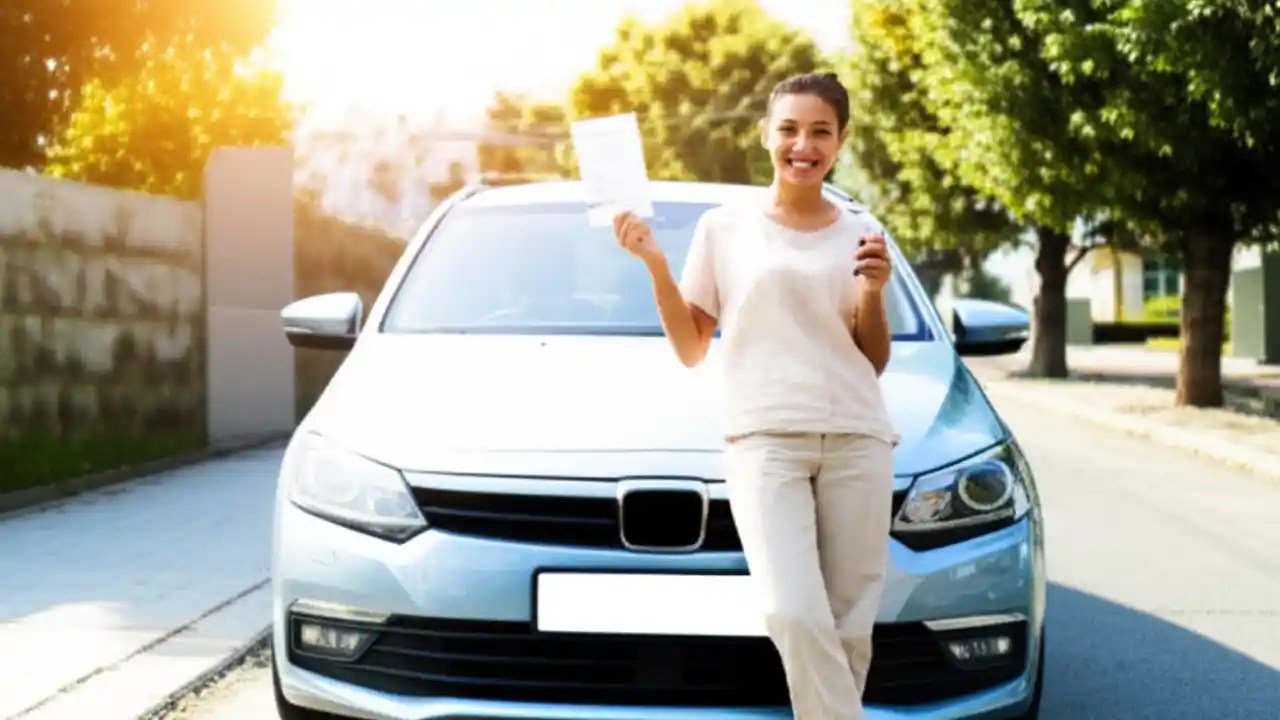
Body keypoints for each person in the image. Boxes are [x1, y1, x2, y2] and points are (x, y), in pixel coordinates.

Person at [611, 72, 898, 720]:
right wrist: (656, 264)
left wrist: (873, 291)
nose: (804, 145)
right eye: (789, 129)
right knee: (792, 612)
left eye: (820, 131)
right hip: (765, 438)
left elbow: (873, 359)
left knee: (849, 628)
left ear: (841, 140)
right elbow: (691, 347)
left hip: (858, 436)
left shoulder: (863, 230)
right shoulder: (724, 228)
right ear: (765, 133)